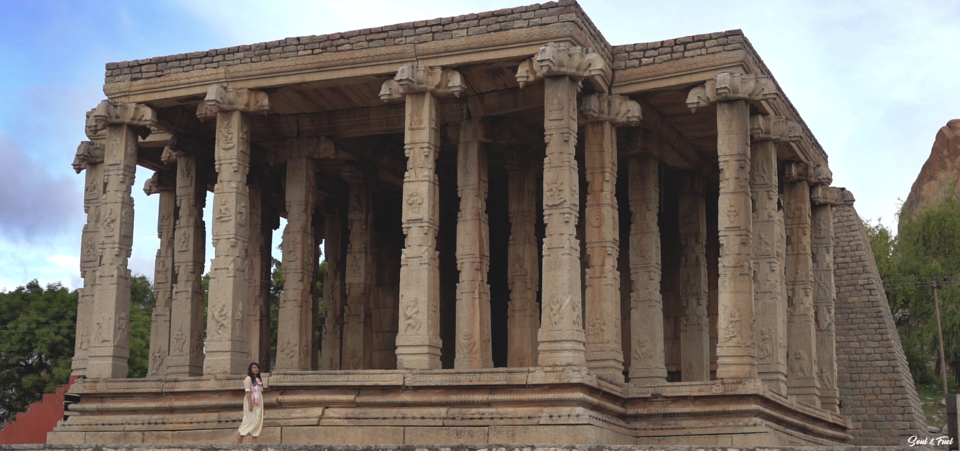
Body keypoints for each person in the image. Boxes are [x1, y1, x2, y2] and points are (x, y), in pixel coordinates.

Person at [237, 362, 265, 443]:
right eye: (254, 367)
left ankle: (254, 445)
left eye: (257, 368)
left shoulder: (258, 380)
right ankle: (240, 437)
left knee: (257, 423)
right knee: (249, 421)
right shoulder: (248, 379)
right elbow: (248, 392)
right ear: (250, 369)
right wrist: (250, 404)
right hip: (251, 404)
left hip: (258, 404)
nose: (256, 369)